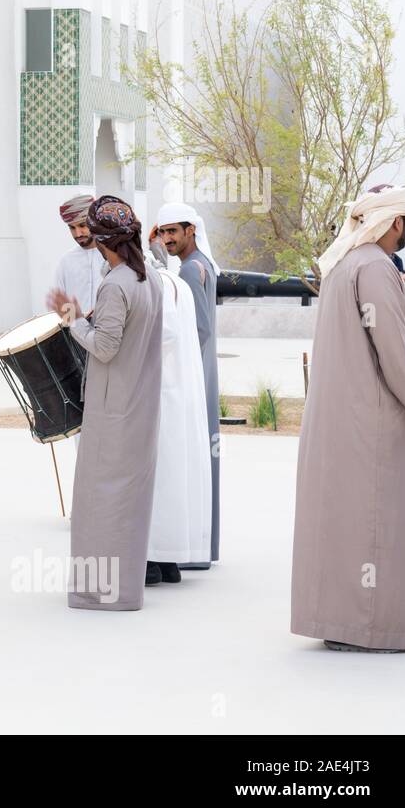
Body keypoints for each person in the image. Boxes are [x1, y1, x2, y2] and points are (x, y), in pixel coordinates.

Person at [292, 186, 405, 652]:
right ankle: (374, 628)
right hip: (375, 422)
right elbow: (398, 360)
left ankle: (341, 622)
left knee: (345, 522)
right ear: (394, 223)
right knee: (374, 523)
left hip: (344, 421)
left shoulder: (346, 264)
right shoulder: (375, 268)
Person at [46, 196, 162, 611]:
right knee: (126, 497)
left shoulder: (115, 284)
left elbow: (107, 348)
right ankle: (124, 586)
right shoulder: (147, 278)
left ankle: (99, 592)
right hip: (139, 402)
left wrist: (72, 318)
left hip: (113, 405)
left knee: (100, 498)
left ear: (100, 239)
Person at [154, 203, 220, 567]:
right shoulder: (196, 265)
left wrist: (181, 366)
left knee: (190, 457)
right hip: (199, 368)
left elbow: (199, 327)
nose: (166, 239)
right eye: (162, 233)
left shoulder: (193, 269)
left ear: (191, 230)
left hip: (194, 370)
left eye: (172, 233)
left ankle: (193, 551)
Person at [145, 250, 213, 584]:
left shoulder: (152, 283)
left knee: (157, 478)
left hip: (160, 392)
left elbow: (164, 335)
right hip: (183, 393)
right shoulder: (176, 283)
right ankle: (171, 561)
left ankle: (153, 560)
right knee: (177, 475)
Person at [53, 194, 104, 314]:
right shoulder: (66, 262)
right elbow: (61, 306)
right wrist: (73, 330)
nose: (78, 234)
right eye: (72, 228)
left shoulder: (112, 256)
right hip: (76, 331)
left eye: (82, 225)